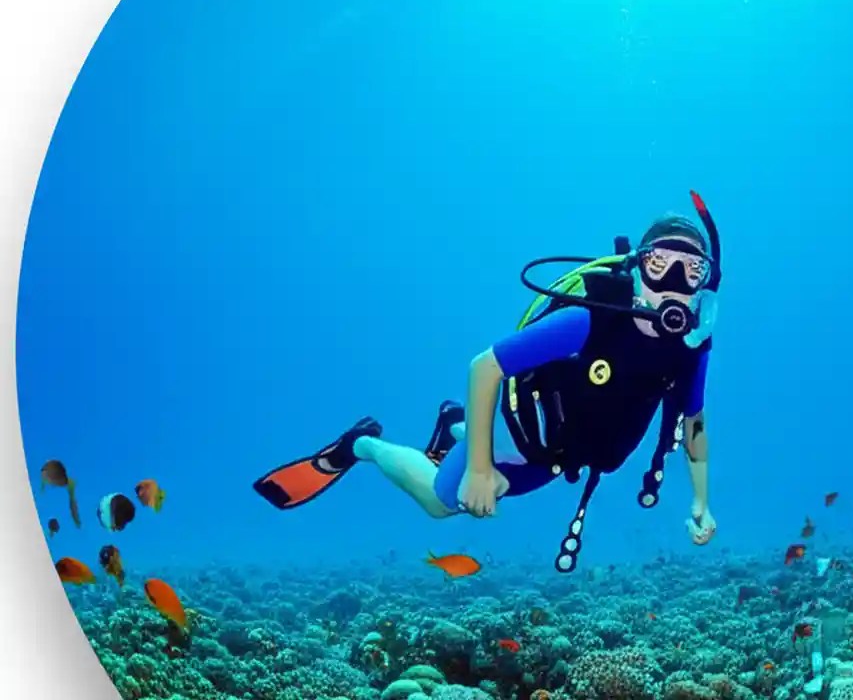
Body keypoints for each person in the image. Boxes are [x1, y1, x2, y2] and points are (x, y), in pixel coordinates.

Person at [253, 191, 724, 573]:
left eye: (692, 270)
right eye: (661, 264)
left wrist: (701, 500)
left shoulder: (690, 348)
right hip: (513, 436)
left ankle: (455, 425)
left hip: (554, 457)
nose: (674, 282)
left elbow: (693, 423)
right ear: (637, 269)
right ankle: (363, 445)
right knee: (443, 503)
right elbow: (485, 367)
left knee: (487, 483)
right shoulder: (588, 321)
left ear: (704, 286)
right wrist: (479, 468)